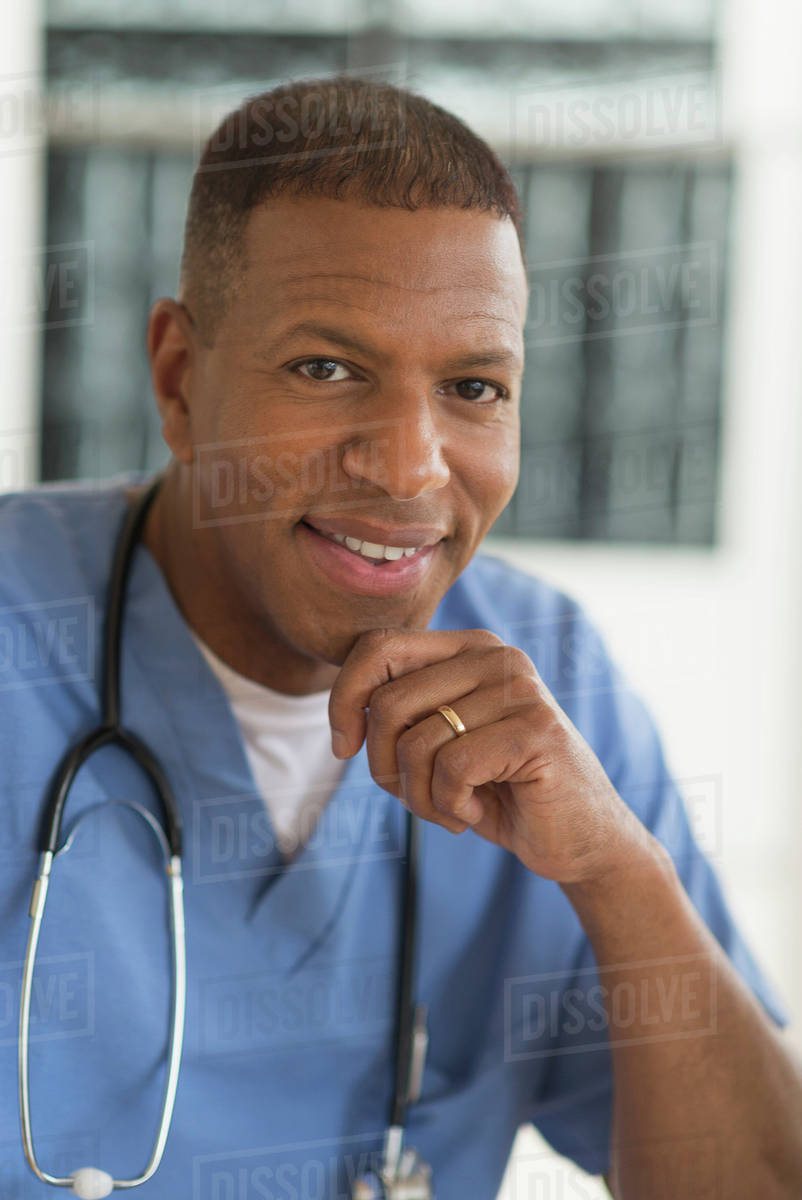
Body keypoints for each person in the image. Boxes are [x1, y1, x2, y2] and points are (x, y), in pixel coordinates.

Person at [1, 76, 800, 1200]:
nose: (411, 465)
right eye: (326, 370)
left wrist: (619, 876)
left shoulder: (554, 681)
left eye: (474, 386)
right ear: (180, 381)